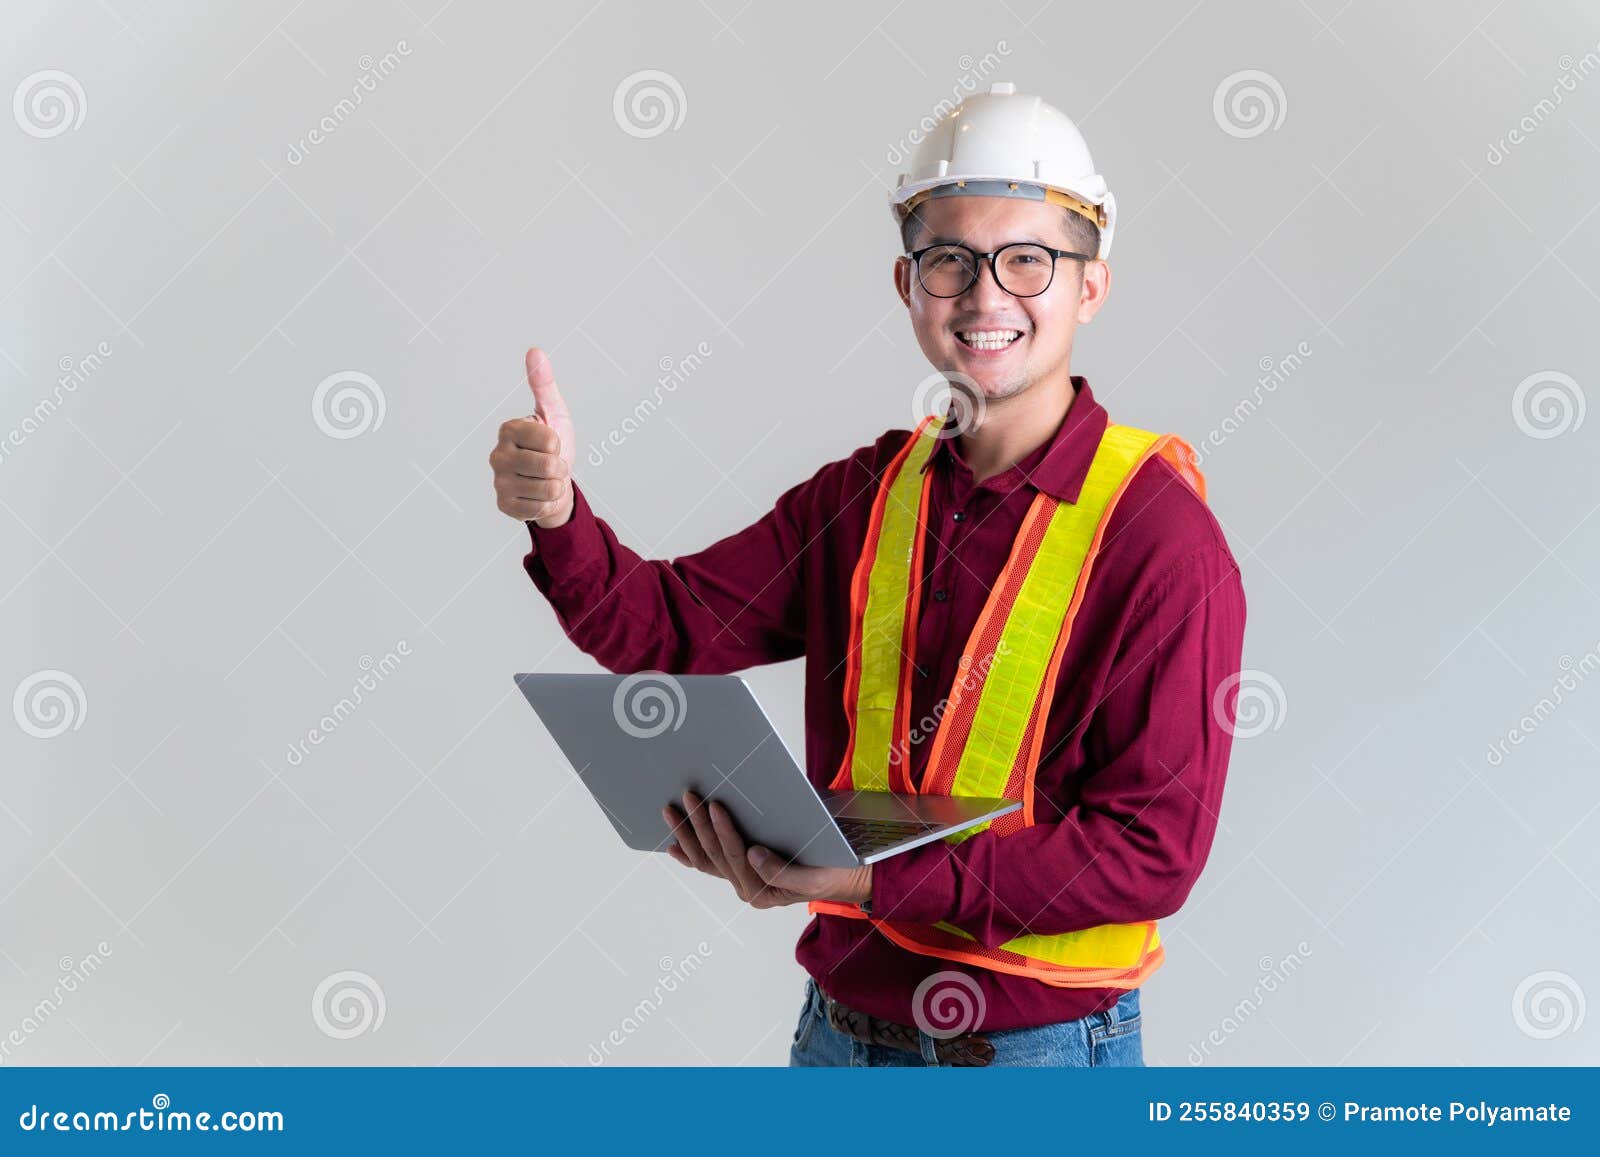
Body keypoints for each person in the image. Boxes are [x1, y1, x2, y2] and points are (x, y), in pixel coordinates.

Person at [489, 83, 1247, 1067]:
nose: (985, 296)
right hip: (840, 1036)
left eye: (1028, 260)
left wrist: (868, 883)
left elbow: (1152, 853)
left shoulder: (1157, 537)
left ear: (1089, 286)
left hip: (1031, 1059)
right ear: (906, 285)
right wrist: (556, 514)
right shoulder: (860, 497)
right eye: (950, 261)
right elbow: (661, 626)